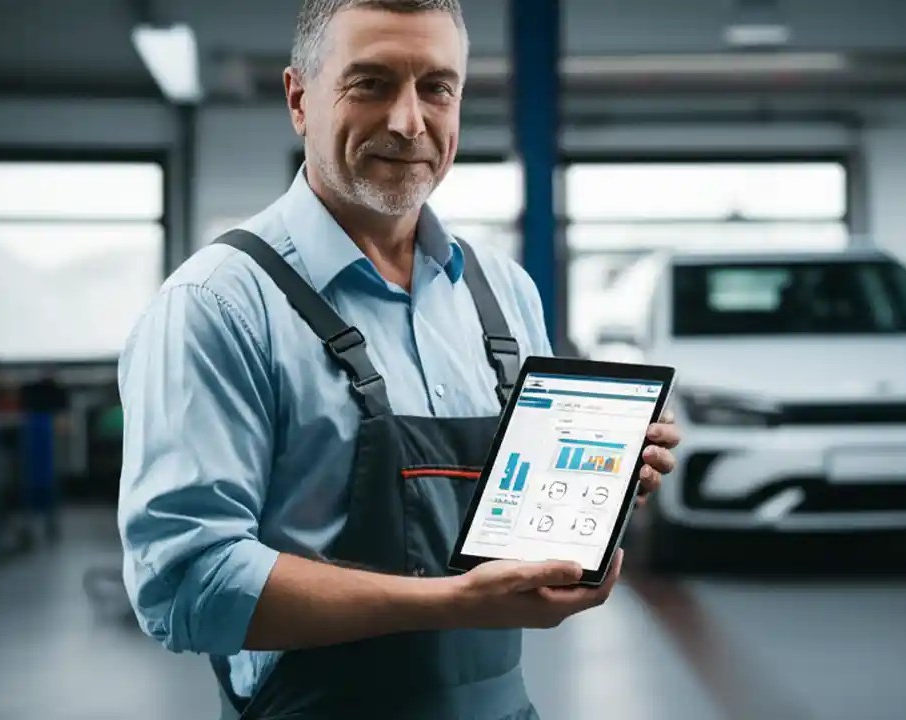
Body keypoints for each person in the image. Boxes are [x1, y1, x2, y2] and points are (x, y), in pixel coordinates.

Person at [116, 1, 682, 718]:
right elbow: (185, 584)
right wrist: (452, 604)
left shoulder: (502, 291)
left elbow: (504, 521)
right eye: (372, 83)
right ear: (299, 99)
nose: (409, 122)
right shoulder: (218, 305)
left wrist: (593, 480)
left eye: (436, 88)